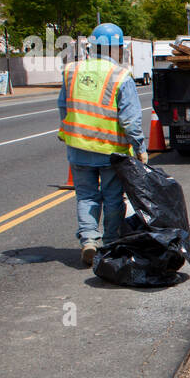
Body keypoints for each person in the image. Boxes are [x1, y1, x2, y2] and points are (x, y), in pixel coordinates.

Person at [57, 22, 148, 267]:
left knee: (86, 196)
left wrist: (71, 132)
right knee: (112, 198)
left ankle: (88, 240)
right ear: (117, 49)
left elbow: (63, 107)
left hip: (78, 149)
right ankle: (108, 243)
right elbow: (130, 119)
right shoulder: (120, 75)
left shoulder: (71, 71)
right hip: (111, 150)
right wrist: (139, 147)